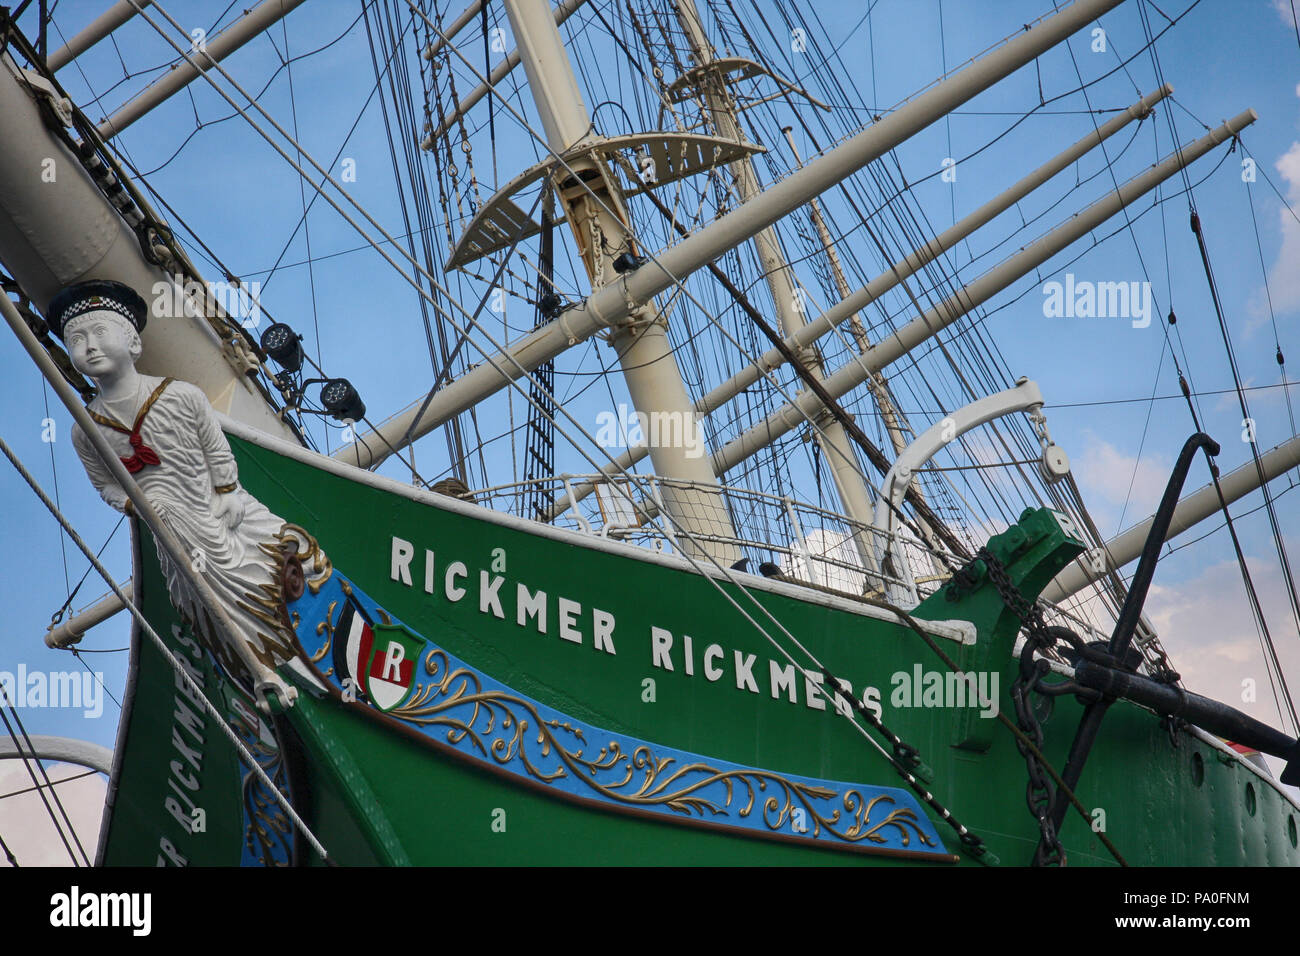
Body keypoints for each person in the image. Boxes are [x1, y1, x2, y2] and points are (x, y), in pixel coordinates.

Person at [49, 278, 323, 689]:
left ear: (133, 343)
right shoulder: (85, 431)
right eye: (76, 340)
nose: (88, 346)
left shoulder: (181, 396)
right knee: (201, 596)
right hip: (167, 526)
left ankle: (293, 644)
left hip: (216, 510)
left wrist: (228, 492)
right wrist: (133, 503)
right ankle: (257, 660)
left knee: (256, 566)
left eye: (100, 333)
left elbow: (215, 448)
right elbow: (105, 485)